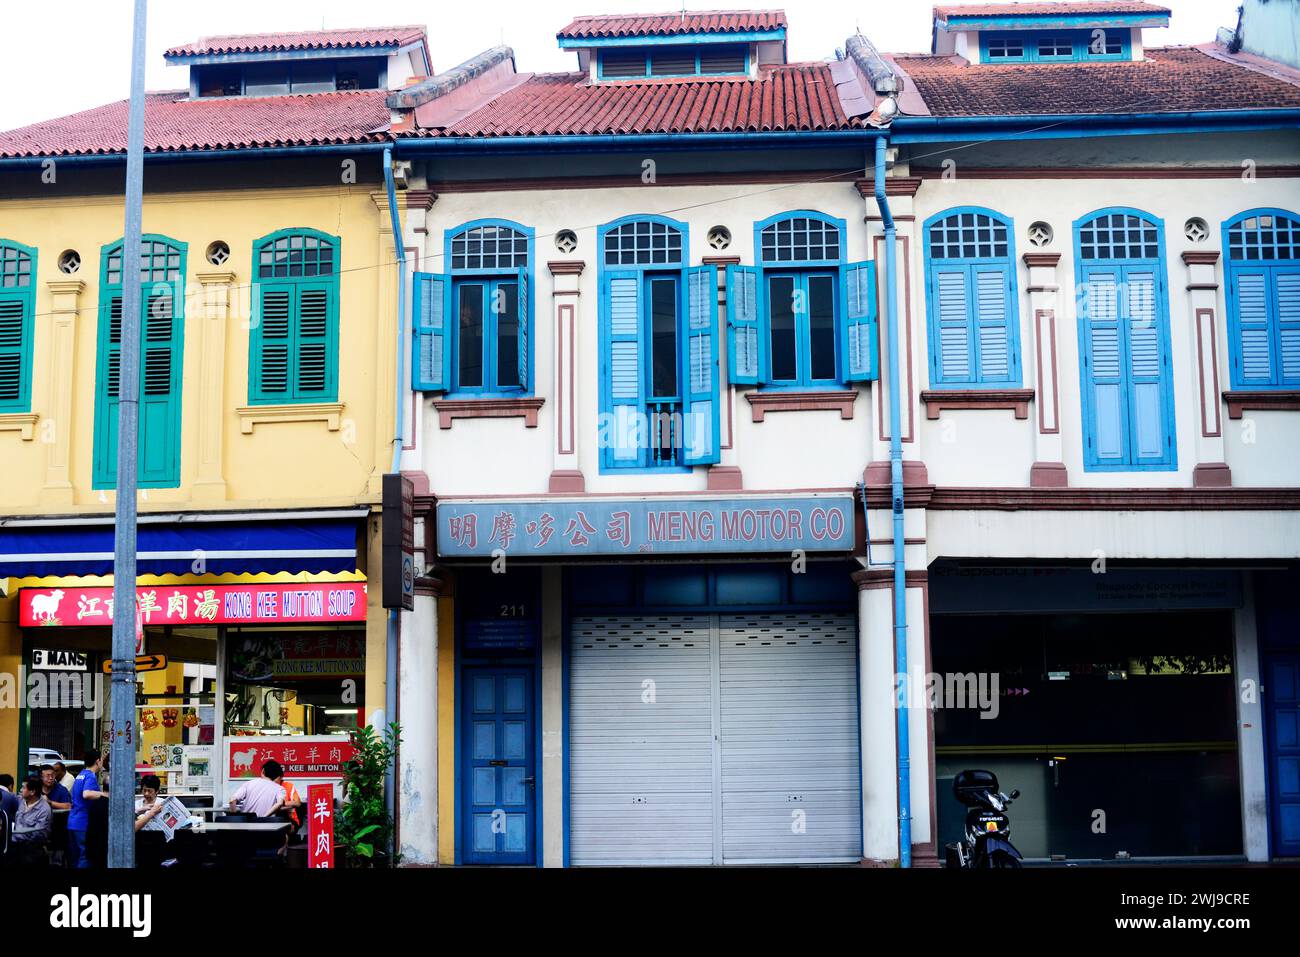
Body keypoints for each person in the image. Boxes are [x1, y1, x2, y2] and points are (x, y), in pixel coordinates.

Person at [67, 750, 104, 868]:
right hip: (83, 823)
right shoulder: (90, 776)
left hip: (73, 821)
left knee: (75, 857)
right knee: (85, 856)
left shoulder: (80, 775)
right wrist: (105, 795)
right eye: (101, 759)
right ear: (98, 761)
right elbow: (86, 794)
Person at [12, 776, 50, 866]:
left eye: (24, 787)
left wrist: (18, 836)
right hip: (15, 844)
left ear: (32, 792)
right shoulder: (21, 800)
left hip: (31, 849)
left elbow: (39, 834)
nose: (21, 790)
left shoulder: (44, 809)